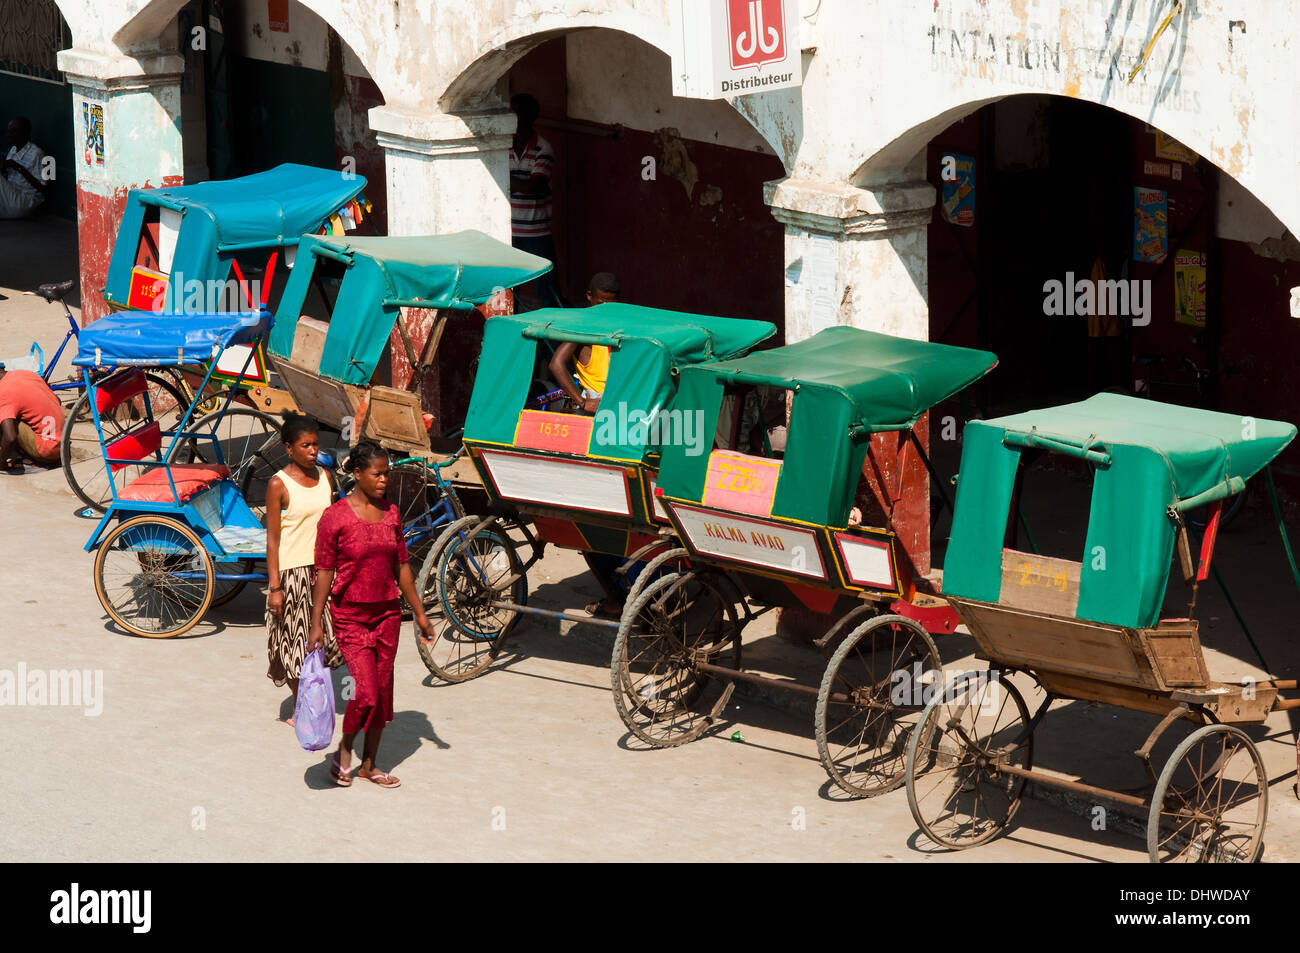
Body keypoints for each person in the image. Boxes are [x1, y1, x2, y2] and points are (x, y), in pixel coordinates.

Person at [309, 441, 436, 788]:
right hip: (349, 616)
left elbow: (402, 567)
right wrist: (316, 622)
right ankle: (344, 751)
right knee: (364, 693)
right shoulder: (334, 517)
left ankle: (370, 765)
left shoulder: (392, 514)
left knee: (381, 692)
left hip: (388, 616)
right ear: (357, 474)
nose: (384, 480)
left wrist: (421, 615)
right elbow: (323, 571)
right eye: (377, 474)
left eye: (386, 474)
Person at [265, 415, 342, 725]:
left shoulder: (326, 477)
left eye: (316, 445)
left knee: (326, 637)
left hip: (323, 570)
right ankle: (301, 706)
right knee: (295, 644)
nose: (313, 451)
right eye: (305, 445)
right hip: (292, 573)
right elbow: (272, 539)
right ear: (288, 448)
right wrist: (275, 587)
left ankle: (313, 698)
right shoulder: (277, 484)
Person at [509, 93, 560, 309]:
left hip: (536, 233)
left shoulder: (543, 148)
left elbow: (534, 186)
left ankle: (556, 338)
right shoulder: (503, 145)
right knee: (509, 288)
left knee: (547, 287)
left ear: (530, 117)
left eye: (519, 113)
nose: (515, 118)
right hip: (510, 230)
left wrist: (504, 178)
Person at [547, 272, 620, 414]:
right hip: (595, 400)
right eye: (600, 303)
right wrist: (582, 402)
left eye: (611, 304)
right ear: (589, 296)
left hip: (618, 397)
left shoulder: (618, 323)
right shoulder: (583, 326)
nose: (605, 309)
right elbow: (556, 364)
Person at [0, 366, 63, 472]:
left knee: (7, 420)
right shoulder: (26, 373)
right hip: (62, 441)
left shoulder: (3, 392)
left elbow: (10, 437)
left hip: (47, 451)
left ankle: (27, 456)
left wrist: (1, 462)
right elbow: (58, 400)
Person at [1, 118, 46, 219]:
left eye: (13, 131)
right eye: (9, 131)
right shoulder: (13, 150)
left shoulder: (37, 153)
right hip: (10, 198)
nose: (9, 134)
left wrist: (17, 167)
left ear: (24, 133)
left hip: (25, 201)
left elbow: (43, 188)